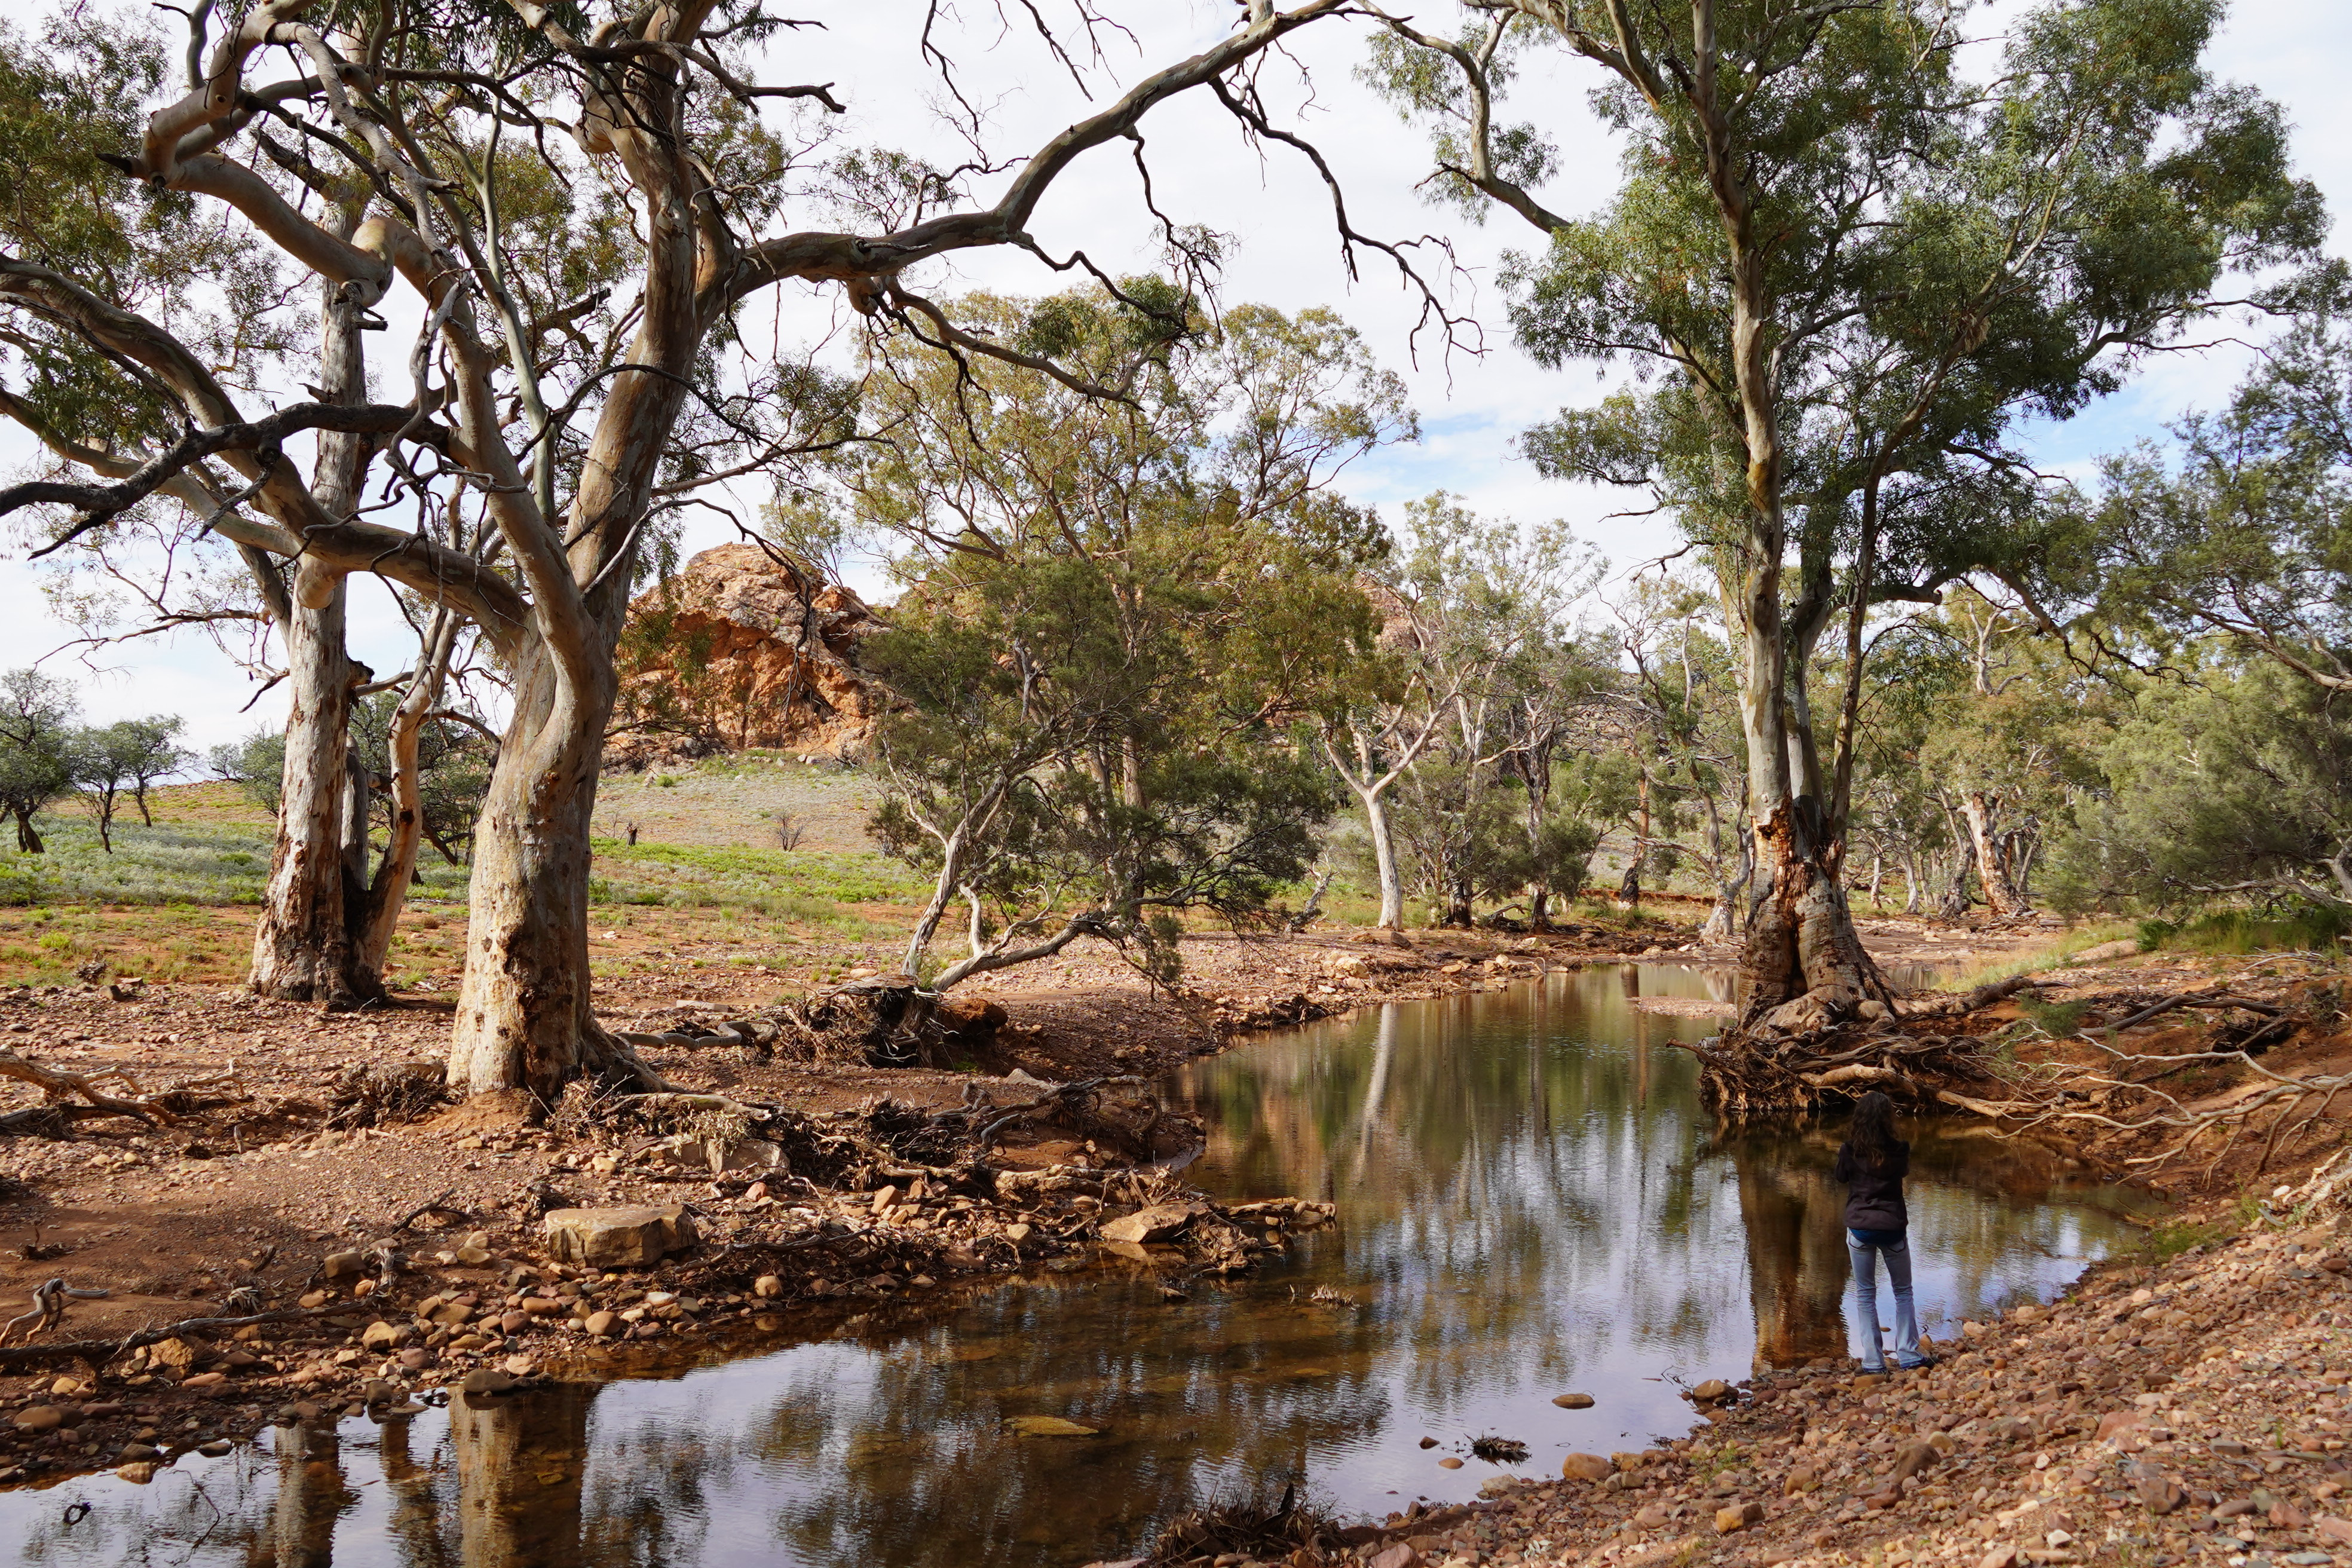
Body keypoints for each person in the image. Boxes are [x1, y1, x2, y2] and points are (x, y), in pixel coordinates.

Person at [1835, 1091, 1934, 1373]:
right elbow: (1901, 1174)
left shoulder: (1849, 1149)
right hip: (1892, 1228)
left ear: (1860, 1119)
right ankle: (1910, 1355)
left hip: (1861, 1228)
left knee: (1865, 1293)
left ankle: (1873, 1361)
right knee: (1903, 1292)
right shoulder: (1900, 1148)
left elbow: (1840, 1177)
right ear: (1888, 1118)